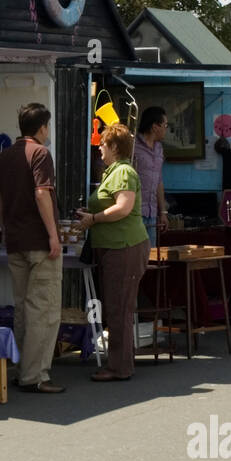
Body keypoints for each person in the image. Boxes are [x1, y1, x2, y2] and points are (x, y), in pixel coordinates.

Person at [0, 104, 64, 394]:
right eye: (47, 127)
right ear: (42, 128)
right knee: (44, 309)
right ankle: (35, 375)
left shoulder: (6, 155)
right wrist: (53, 235)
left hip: (15, 242)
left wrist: (6, 227)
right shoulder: (40, 153)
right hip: (38, 241)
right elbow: (41, 193)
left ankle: (22, 369)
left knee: (23, 307)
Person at [76, 123, 150, 382]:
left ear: (115, 147)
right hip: (115, 248)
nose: (99, 147)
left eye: (103, 143)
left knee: (119, 308)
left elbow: (123, 208)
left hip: (123, 247)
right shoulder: (113, 172)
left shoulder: (123, 173)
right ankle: (121, 362)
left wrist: (93, 218)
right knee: (118, 307)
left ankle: (119, 367)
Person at [133, 107, 168, 247]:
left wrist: (163, 212)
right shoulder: (132, 145)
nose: (166, 129)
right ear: (155, 126)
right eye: (165, 125)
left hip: (152, 213)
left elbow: (159, 181)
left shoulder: (159, 148)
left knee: (150, 256)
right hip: (134, 212)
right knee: (135, 257)